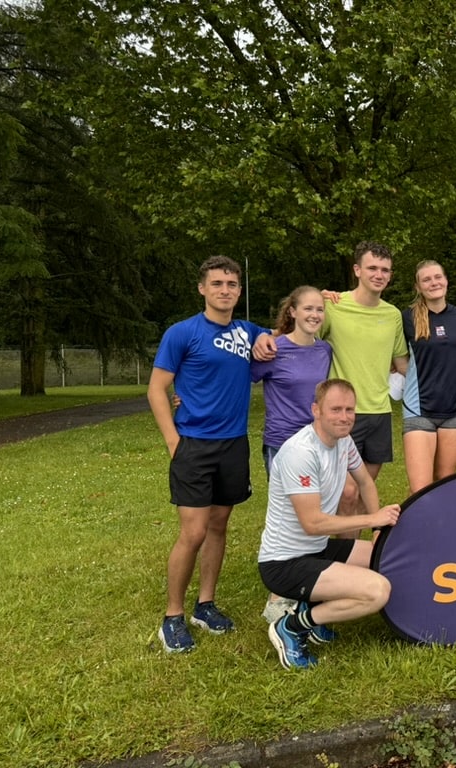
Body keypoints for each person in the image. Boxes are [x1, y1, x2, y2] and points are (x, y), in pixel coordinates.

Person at [147, 255, 275, 653]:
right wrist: (173, 442)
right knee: (194, 532)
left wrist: (324, 300)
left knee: (219, 526)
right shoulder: (182, 333)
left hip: (234, 443)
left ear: (239, 290)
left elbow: (288, 328)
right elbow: (156, 389)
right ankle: (172, 616)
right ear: (202, 288)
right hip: (193, 445)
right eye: (217, 283)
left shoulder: (246, 330)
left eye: (232, 284)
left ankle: (205, 605)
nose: (225, 290)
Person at [258, 379, 401, 669]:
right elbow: (312, 523)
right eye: (336, 409)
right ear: (316, 410)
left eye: (350, 409)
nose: (344, 416)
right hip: (284, 563)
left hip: (316, 550)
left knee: (390, 556)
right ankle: (294, 626)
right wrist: (372, 518)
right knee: (378, 590)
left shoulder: (343, 442)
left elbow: (365, 482)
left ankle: (312, 608)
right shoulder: (301, 452)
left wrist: (377, 532)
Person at [250, 286, 336, 638]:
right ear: (293, 312)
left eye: (319, 309)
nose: (315, 314)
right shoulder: (273, 350)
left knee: (318, 517)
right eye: (308, 309)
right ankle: (278, 600)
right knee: (291, 521)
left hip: (319, 446)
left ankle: (307, 593)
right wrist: (183, 398)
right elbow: (235, 380)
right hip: (282, 447)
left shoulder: (325, 350)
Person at [319, 241, 409, 526]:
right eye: (372, 268)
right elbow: (300, 338)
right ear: (357, 270)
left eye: (385, 270)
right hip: (343, 414)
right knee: (346, 492)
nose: (379, 274)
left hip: (379, 414)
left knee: (360, 494)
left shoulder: (392, 314)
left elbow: (402, 363)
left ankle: (354, 557)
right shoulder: (333, 306)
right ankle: (337, 558)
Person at [400, 261, 456, 492]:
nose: (434, 283)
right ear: (418, 287)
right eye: (427, 279)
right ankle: (416, 529)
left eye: (438, 277)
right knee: (420, 488)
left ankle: (440, 529)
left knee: (444, 482)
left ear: (446, 280)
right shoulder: (406, 318)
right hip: (419, 410)